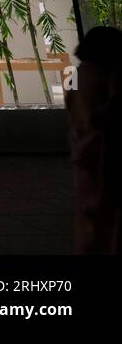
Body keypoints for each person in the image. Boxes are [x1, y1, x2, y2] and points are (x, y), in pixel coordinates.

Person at [67, 24, 122, 254]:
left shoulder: (77, 76)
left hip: (84, 153)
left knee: (90, 220)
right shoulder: (105, 78)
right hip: (103, 156)